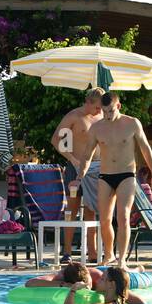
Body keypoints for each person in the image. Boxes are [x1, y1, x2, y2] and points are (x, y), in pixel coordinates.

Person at [78, 91, 152, 266]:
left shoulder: (131, 123)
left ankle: (122, 259)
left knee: (123, 216)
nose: (107, 115)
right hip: (106, 175)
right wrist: (80, 175)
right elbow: (87, 155)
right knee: (105, 219)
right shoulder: (97, 128)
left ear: (118, 106)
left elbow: (146, 149)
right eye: (104, 111)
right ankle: (109, 255)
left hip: (126, 175)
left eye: (110, 111)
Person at [51, 88, 105, 263]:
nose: (99, 110)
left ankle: (92, 252)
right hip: (76, 167)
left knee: (91, 209)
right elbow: (56, 140)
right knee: (71, 209)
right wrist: (72, 159)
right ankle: (66, 251)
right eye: (97, 107)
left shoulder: (102, 117)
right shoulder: (74, 116)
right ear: (88, 102)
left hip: (95, 169)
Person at [26, 260, 152, 298]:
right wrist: (65, 285)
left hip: (122, 277)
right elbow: (30, 283)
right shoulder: (63, 276)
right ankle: (136, 268)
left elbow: (128, 295)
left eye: (91, 286)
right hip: (108, 270)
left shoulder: (100, 278)